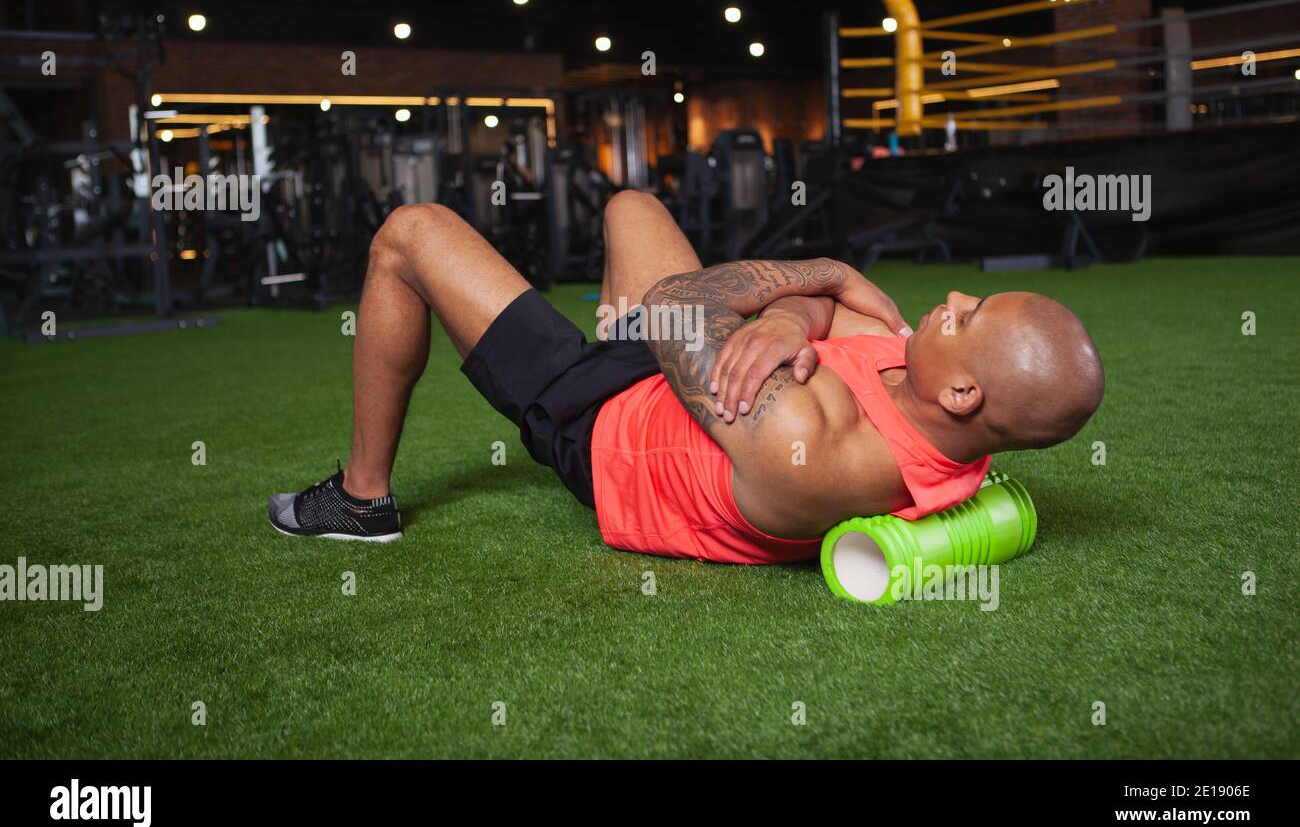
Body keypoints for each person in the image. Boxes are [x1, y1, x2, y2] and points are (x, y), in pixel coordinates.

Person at [267, 191, 1104, 562]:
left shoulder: (809, 447)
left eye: (971, 314)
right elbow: (820, 316)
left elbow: (674, 304)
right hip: (678, 364)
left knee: (411, 233)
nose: (952, 297)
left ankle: (361, 499)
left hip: (604, 427)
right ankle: (620, 345)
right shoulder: (915, 367)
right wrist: (785, 317)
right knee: (632, 207)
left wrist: (827, 269)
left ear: (966, 394)